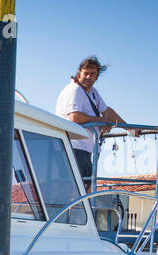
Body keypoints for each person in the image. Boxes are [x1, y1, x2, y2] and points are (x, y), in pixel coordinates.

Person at [55, 57, 141, 191]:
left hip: (84, 149)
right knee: (77, 190)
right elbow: (75, 117)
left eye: (92, 74)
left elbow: (107, 111)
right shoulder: (75, 90)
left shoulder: (92, 92)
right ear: (79, 73)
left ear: (97, 77)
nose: (88, 77)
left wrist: (130, 129)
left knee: (85, 189)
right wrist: (101, 121)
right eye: (86, 73)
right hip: (73, 147)